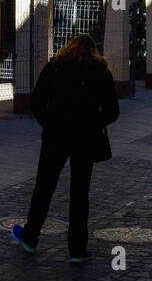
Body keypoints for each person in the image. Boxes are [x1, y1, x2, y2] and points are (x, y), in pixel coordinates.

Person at [12, 34, 119, 263]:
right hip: (85, 139)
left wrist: (49, 122)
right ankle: (77, 249)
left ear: (69, 48)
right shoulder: (101, 72)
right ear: (94, 51)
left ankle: (30, 236)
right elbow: (112, 111)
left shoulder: (55, 68)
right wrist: (93, 123)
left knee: (44, 187)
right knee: (79, 194)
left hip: (55, 136)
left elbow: (36, 102)